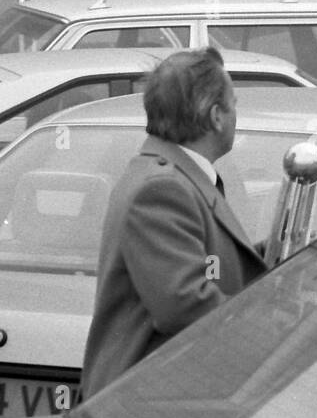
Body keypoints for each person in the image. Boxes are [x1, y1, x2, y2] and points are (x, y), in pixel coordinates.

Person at [80, 46, 266, 396]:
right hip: (145, 405)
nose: (236, 114)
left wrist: (270, 255)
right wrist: (269, 326)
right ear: (216, 116)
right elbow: (183, 305)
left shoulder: (172, 175)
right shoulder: (163, 188)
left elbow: (201, 263)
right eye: (234, 104)